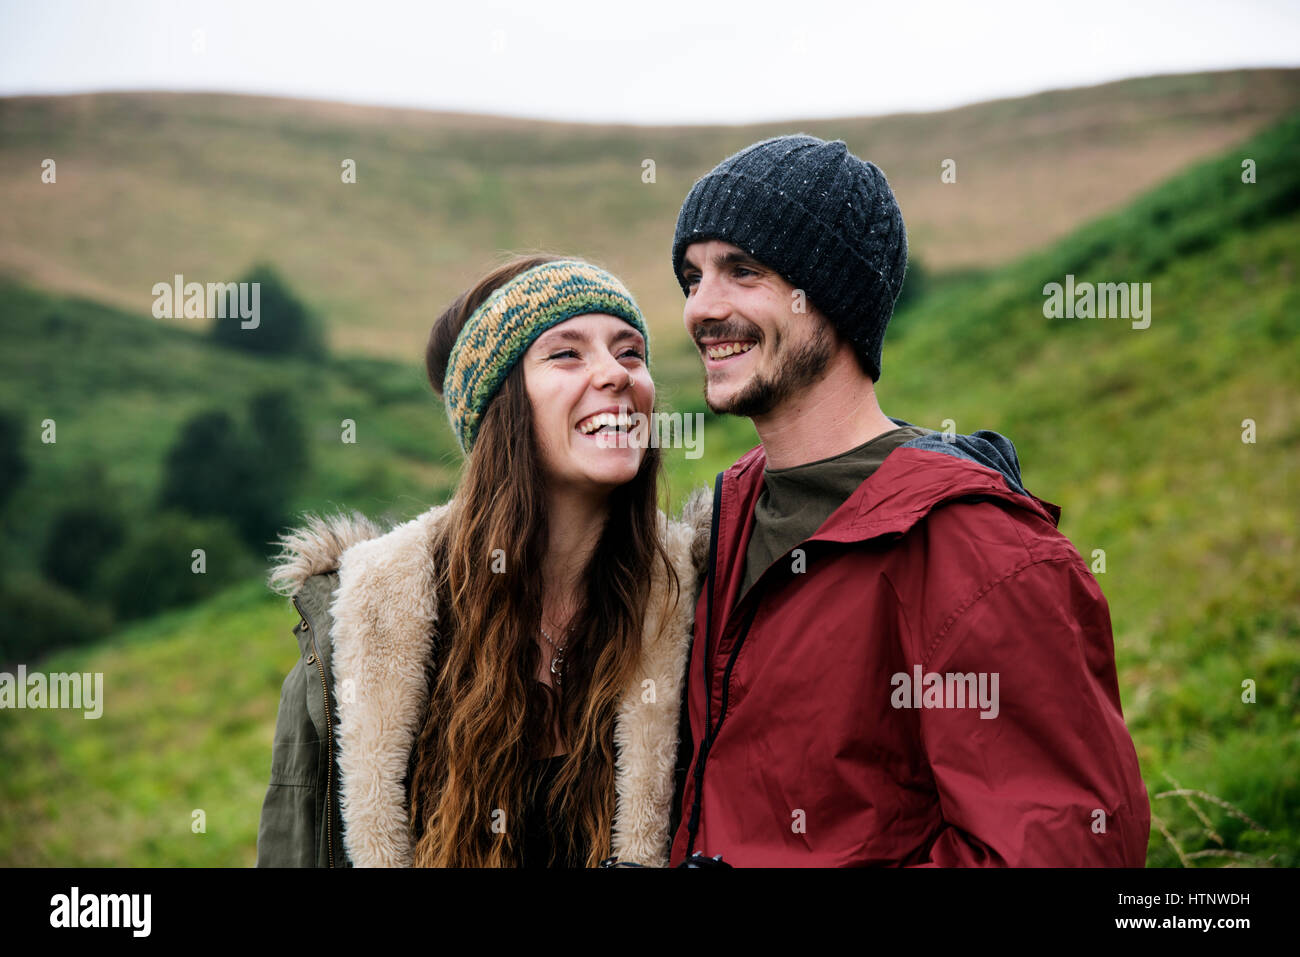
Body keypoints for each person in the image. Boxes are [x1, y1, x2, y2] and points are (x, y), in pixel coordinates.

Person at [666, 134, 1151, 866]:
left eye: (742, 270)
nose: (702, 307)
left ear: (830, 292)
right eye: (691, 277)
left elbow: (1059, 851)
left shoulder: (981, 549)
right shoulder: (724, 521)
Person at [256, 255, 710, 867]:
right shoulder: (362, 625)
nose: (616, 374)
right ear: (499, 406)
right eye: (566, 353)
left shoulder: (697, 602)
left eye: (630, 352)